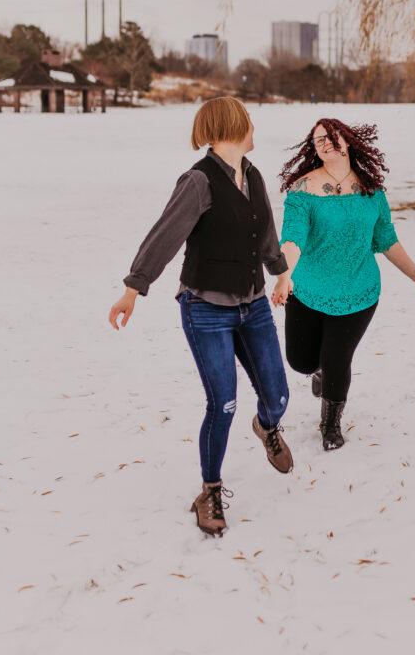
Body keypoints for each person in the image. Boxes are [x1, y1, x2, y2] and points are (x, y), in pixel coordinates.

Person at [108, 97, 293, 537]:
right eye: (248, 121)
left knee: (279, 395)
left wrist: (281, 275)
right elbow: (165, 236)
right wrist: (134, 288)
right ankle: (209, 491)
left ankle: (266, 427)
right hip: (206, 308)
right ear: (231, 125)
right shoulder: (198, 181)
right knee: (223, 403)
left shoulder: (252, 174)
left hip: (253, 306)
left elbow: (265, 235)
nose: (254, 128)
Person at [272, 118, 415, 451]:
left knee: (338, 357)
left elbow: (385, 240)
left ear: (347, 141)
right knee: (301, 362)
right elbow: (292, 239)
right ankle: (317, 370)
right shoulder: (302, 190)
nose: (325, 142)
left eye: (331, 136)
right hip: (307, 289)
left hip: (359, 292)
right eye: (318, 139)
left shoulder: (371, 192)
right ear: (313, 149)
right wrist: (284, 277)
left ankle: (330, 424)